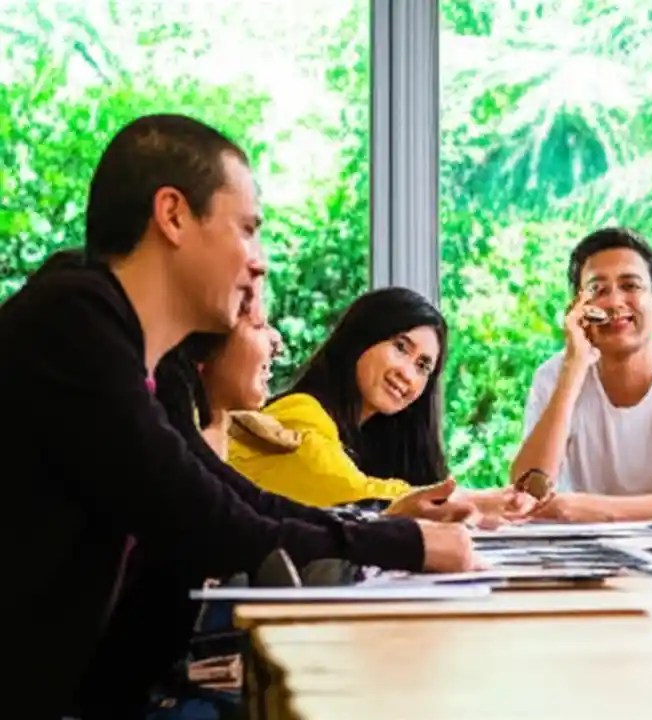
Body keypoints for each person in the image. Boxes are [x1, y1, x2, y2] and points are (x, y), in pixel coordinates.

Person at [1, 114, 474, 715]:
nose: (259, 263)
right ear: (172, 215)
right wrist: (403, 543)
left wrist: (396, 535)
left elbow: (233, 496)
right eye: (247, 230)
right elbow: (207, 518)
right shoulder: (72, 321)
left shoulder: (154, 366)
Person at [226, 286, 527, 519]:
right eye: (400, 347)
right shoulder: (300, 411)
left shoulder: (371, 441)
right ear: (361, 338)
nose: (407, 373)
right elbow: (351, 495)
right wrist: (474, 500)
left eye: (423, 366)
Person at [508, 227, 652, 521]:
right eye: (598, 290)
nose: (615, 302)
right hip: (578, 555)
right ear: (578, 309)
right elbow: (527, 491)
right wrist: (573, 369)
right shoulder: (553, 376)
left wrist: (592, 510)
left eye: (630, 286)